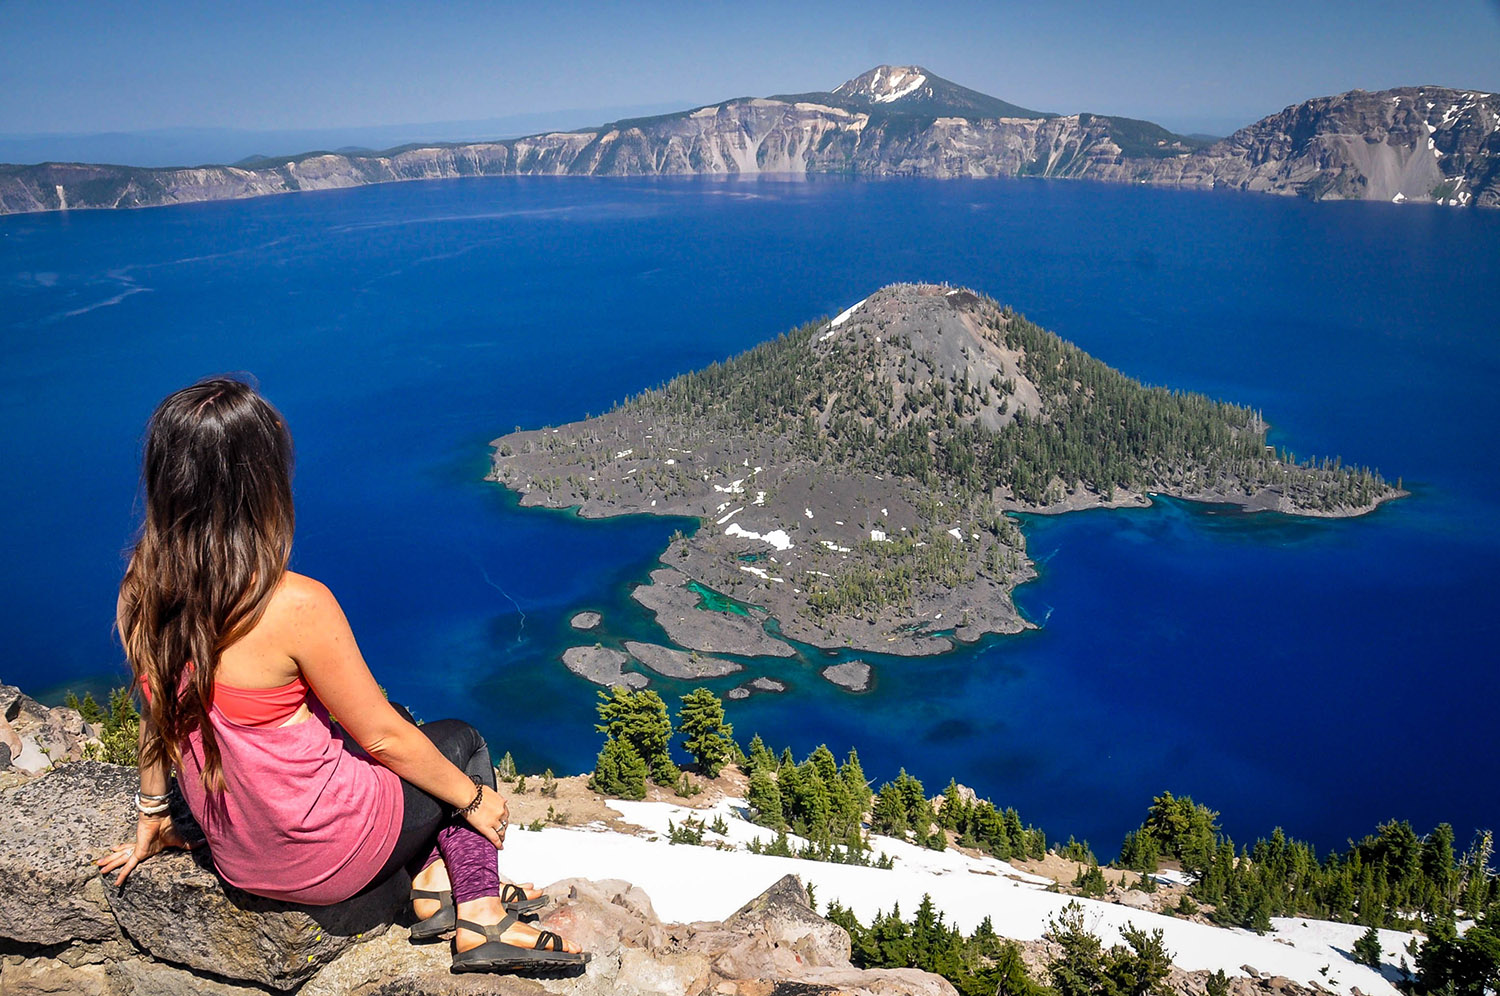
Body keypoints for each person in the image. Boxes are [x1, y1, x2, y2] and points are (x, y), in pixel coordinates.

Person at [96, 376, 586, 973]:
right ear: (261, 482)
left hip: (242, 858)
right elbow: (382, 739)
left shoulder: (140, 589)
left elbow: (159, 716)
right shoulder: (292, 604)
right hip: (326, 856)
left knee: (405, 725)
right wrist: (476, 799)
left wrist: (154, 814)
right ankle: (481, 918)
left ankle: (434, 886)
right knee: (456, 743)